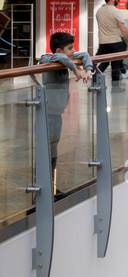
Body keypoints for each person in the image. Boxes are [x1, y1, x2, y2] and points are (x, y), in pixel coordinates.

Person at [38, 32, 93, 175]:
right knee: (46, 146)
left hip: (57, 114)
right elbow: (59, 57)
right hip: (47, 114)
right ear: (58, 50)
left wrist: (87, 70)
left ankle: (51, 180)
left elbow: (85, 54)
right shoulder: (48, 58)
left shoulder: (65, 57)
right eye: (70, 48)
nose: (73, 51)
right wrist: (75, 69)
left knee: (54, 145)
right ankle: (43, 180)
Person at [95, 0, 128, 84]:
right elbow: (123, 29)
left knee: (105, 62)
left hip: (103, 42)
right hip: (115, 42)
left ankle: (95, 79)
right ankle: (115, 87)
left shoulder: (99, 11)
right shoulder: (116, 11)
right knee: (116, 64)